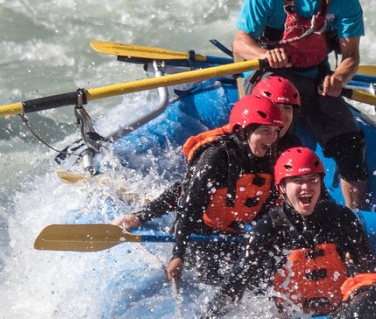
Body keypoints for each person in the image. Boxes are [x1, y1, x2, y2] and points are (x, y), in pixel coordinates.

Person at [231, 0, 369, 209]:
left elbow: (351, 58)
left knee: (350, 144)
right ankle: (263, 200)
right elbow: (240, 44)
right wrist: (264, 54)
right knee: (276, 127)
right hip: (269, 74)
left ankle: (355, 215)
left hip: (314, 76)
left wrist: (338, 78)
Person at [181, 146, 376, 319]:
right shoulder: (268, 230)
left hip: (337, 318)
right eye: (297, 181)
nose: (306, 187)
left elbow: (369, 270)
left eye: (312, 180)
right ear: (282, 187)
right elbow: (236, 283)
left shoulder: (342, 219)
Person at [113, 75, 304, 231]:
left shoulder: (291, 147)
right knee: (188, 189)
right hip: (209, 215)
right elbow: (187, 192)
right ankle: (139, 215)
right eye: (274, 107)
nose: (281, 115)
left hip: (247, 216)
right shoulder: (227, 146)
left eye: (286, 109)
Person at [166, 95, 283, 286]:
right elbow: (189, 207)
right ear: (244, 132)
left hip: (232, 232)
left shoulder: (269, 158)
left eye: (275, 131)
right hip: (200, 231)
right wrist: (178, 254)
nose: (272, 139)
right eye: (265, 131)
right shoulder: (216, 157)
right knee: (211, 280)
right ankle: (139, 216)